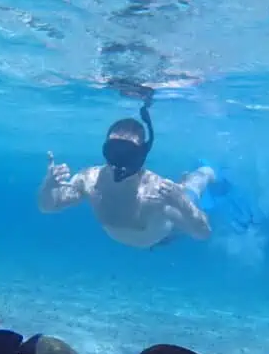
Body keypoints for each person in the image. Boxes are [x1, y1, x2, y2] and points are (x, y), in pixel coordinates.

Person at [37, 97, 216, 249]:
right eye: (114, 151)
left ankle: (207, 172)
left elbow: (203, 233)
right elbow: (47, 207)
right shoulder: (89, 181)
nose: (119, 161)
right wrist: (49, 185)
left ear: (141, 156)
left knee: (190, 189)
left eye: (128, 154)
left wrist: (182, 202)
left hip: (166, 235)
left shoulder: (158, 193)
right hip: (147, 238)